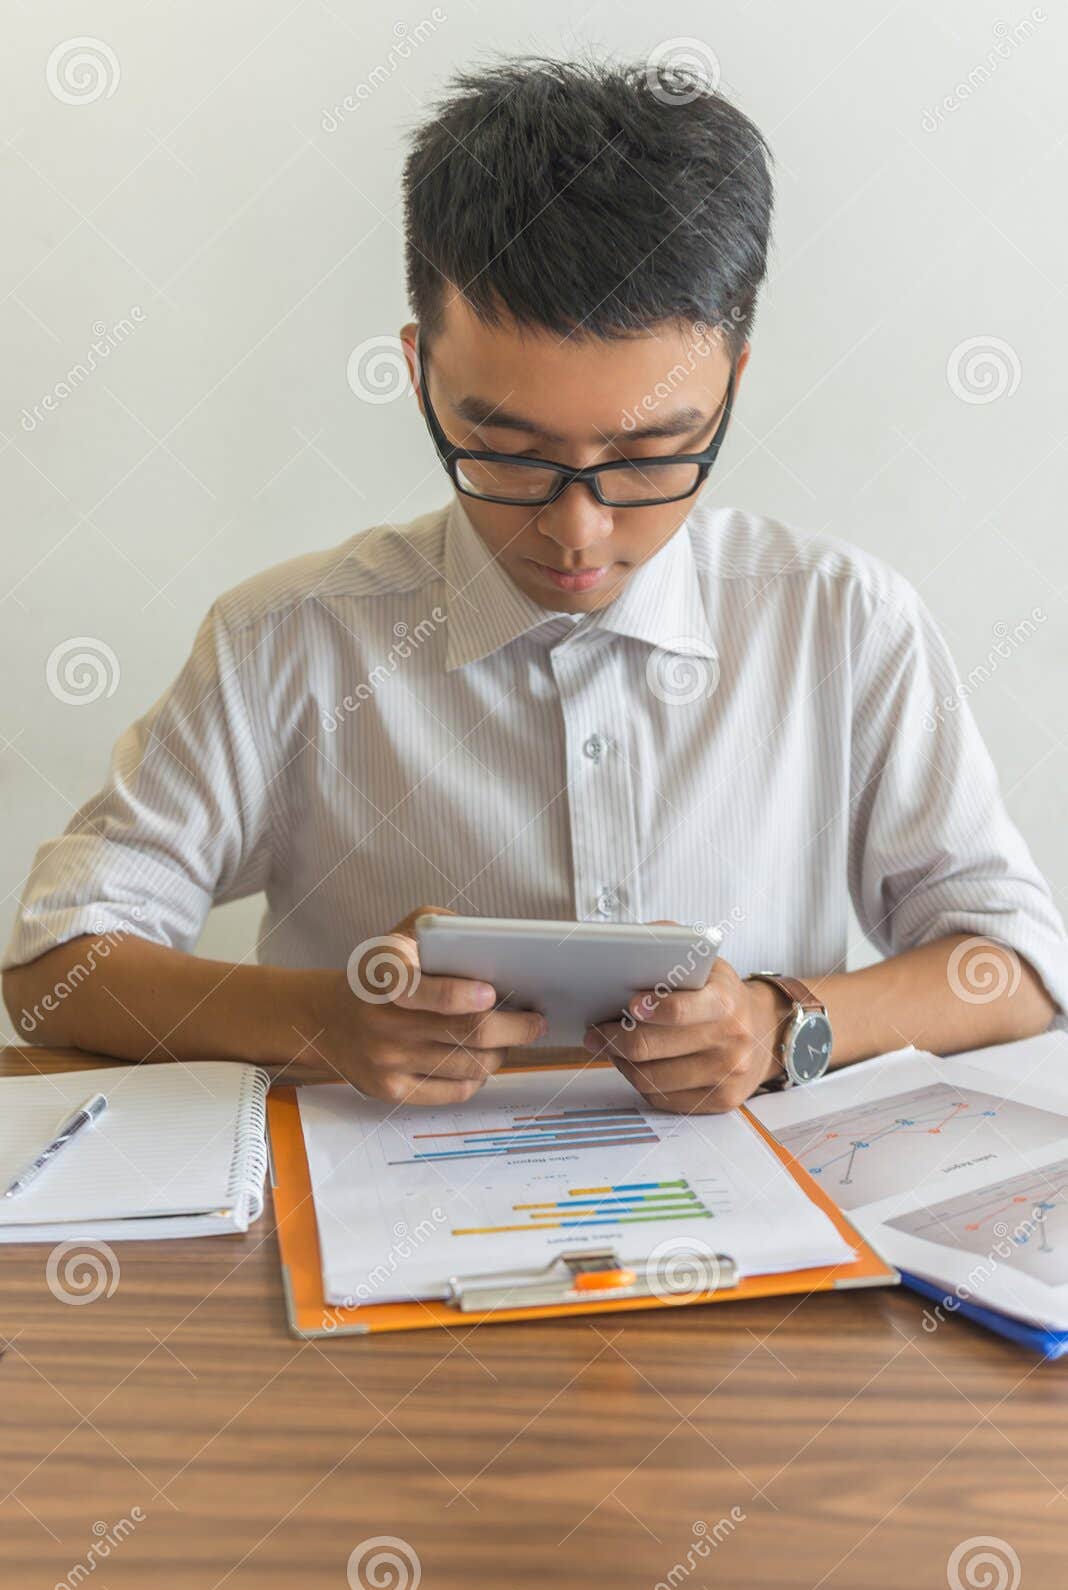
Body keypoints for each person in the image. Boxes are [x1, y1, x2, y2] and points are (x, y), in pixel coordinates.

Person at [3, 57, 1064, 1114]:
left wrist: (784, 1024)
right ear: (420, 376)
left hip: (759, 1254)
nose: (578, 530)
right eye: (504, 450)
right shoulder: (291, 639)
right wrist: (324, 1019)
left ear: (733, 381)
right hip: (370, 1245)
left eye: (654, 454)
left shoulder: (842, 622)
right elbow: (55, 969)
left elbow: (1015, 966)